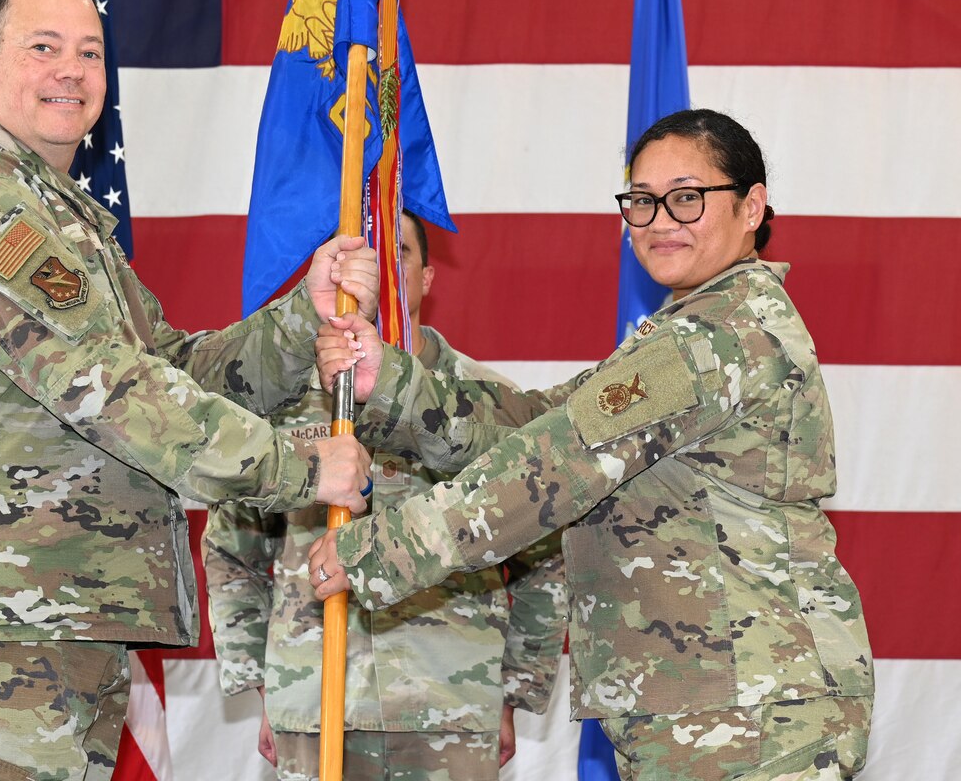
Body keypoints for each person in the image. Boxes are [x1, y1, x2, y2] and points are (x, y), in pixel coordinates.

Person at [0, 0, 377, 781]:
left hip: (42, 626)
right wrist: (298, 469)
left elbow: (169, 368)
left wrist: (300, 320)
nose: (71, 70)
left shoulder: (61, 218)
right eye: (43, 47)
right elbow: (109, 389)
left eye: (90, 53)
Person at [309, 110, 874, 780]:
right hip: (718, 706)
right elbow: (541, 421)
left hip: (747, 717)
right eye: (642, 200)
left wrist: (376, 552)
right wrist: (392, 386)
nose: (660, 220)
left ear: (751, 206)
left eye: (687, 197)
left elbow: (551, 466)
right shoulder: (700, 325)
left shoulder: (712, 339)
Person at [202, 210, 569, 781]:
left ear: (428, 277)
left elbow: (542, 552)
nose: (376, 268)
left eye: (399, 252)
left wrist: (514, 689)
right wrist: (265, 682)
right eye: (360, 254)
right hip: (315, 700)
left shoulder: (488, 401)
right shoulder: (284, 404)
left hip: (449, 702)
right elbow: (233, 548)